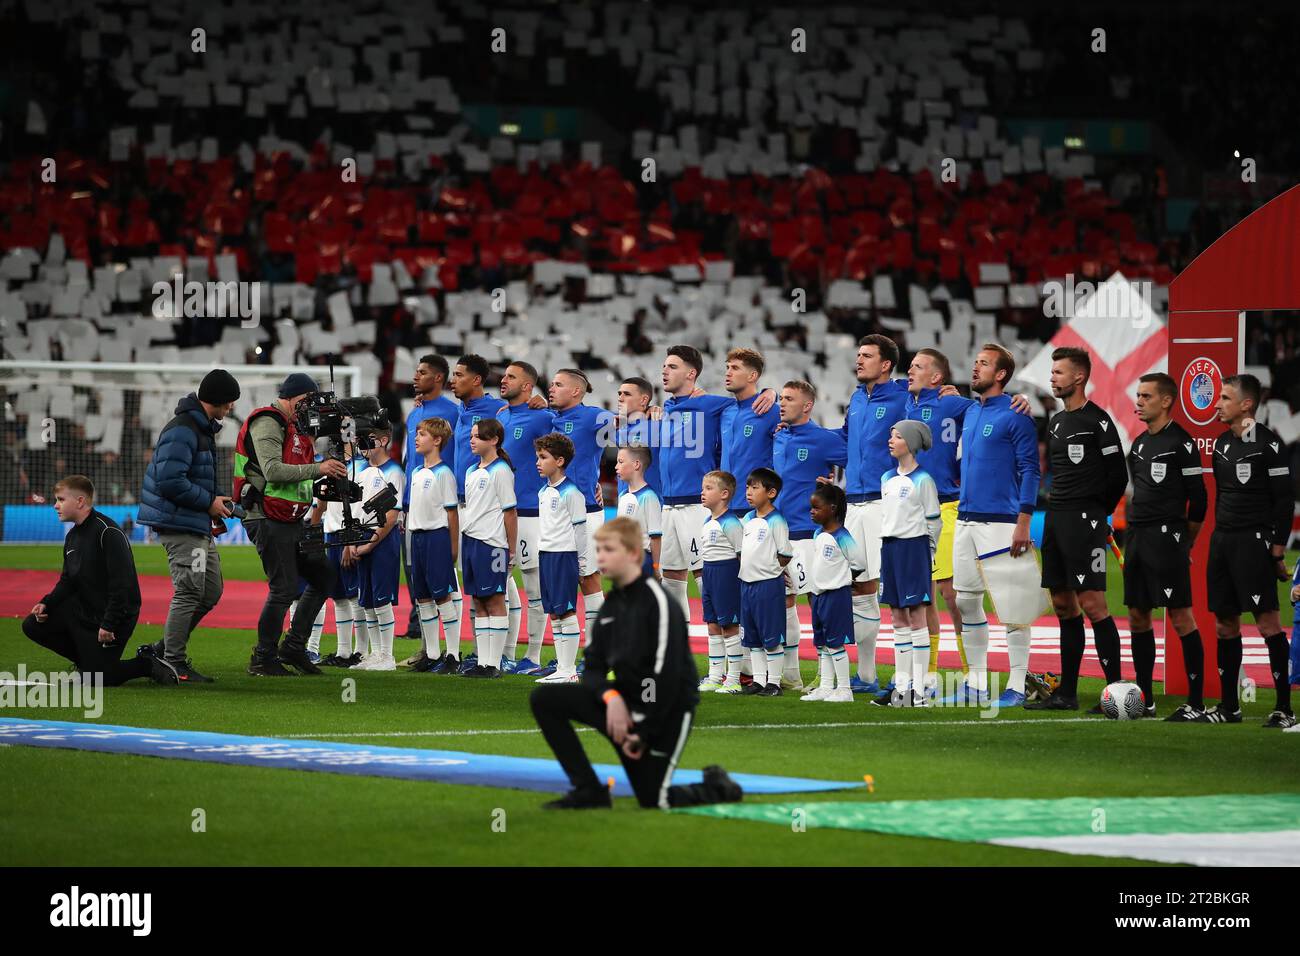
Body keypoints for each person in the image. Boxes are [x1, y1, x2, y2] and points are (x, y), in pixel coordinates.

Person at [528, 516, 743, 811]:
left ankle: (716, 788)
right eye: (598, 549)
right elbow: (592, 669)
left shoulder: (658, 602)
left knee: (655, 800)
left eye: (608, 549)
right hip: (624, 703)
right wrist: (610, 696)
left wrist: (640, 728)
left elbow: (661, 676)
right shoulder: (611, 606)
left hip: (666, 711)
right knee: (545, 699)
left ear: (632, 554)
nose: (599, 556)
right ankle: (588, 790)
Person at [1026, 348, 1129, 713]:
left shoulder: (1098, 421)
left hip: (1085, 521)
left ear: (1079, 378)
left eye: (1058, 372)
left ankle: (1115, 693)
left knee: (1093, 605)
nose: (1052, 377)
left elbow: (1118, 476)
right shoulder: (1055, 422)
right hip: (1055, 518)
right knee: (1063, 605)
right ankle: (1067, 693)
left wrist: (1098, 514)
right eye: (1052, 371)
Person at [944, 344, 1042, 707]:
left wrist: (1024, 521)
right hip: (966, 519)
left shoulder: (1016, 415)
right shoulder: (971, 412)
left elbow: (1031, 469)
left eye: (983, 364)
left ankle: (1017, 684)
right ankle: (977, 681)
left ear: (1000, 374)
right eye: (975, 363)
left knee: (1014, 606)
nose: (975, 368)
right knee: (967, 601)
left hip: (1002, 521)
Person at [234, 373, 345, 676]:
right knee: (283, 588)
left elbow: (296, 469)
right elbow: (272, 470)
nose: (311, 407)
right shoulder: (268, 421)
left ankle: (294, 646)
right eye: (308, 401)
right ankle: (263, 657)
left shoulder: (294, 426)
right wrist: (319, 468)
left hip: (291, 516)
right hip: (265, 514)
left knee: (323, 576)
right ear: (295, 397)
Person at [1199, 374, 1294, 727]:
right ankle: (1228, 707)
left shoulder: (1268, 445)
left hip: (1254, 543)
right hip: (1222, 541)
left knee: (1268, 624)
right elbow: (1222, 496)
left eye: (1225, 398)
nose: (1218, 403)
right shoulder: (1223, 444)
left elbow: (1284, 502)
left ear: (1246, 405)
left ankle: (1284, 708)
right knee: (1225, 624)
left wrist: (1277, 551)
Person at [656, 345, 776, 622]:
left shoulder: (715, 405)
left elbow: (750, 401)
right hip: (668, 505)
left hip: (699, 504)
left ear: (691, 373)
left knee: (706, 572)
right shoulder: (666, 408)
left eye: (672, 366)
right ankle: (678, 649)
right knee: (671, 574)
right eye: (664, 366)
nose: (664, 371)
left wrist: (771, 392)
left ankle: (727, 643)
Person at [135, 368, 240, 684]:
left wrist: (212, 502)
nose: (232, 407)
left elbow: (183, 478)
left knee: (210, 591)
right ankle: (173, 662)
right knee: (191, 590)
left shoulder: (197, 427)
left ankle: (162, 651)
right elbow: (170, 481)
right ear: (218, 400)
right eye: (230, 401)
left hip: (193, 522)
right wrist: (208, 501)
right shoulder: (184, 429)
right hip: (179, 524)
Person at [23, 475, 165, 686]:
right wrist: (47, 603)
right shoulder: (72, 536)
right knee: (32, 625)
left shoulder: (108, 532)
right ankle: (87, 663)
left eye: (61, 500)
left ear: (80, 501)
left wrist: (109, 623)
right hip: (84, 611)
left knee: (102, 678)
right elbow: (68, 580)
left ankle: (146, 664)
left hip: (115, 616)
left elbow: (123, 586)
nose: (55, 506)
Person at [1123, 373, 1208, 721]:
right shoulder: (1139, 445)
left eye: (1146, 396)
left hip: (1168, 536)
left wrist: (1184, 540)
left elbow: (1199, 500)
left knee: (1180, 616)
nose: (1139, 401)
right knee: (1137, 616)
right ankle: (1146, 697)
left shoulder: (1182, 443)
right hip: (1138, 537)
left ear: (1166, 401)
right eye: (1138, 395)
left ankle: (1196, 702)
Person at [838, 335, 910, 694]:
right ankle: (866, 675)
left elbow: (927, 431)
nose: (859, 360)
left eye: (867, 356)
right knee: (858, 589)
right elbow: (846, 440)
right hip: (854, 503)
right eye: (858, 355)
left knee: (895, 591)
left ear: (885, 364)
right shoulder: (855, 398)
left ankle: (904, 676)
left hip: (885, 502)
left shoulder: (903, 397)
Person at [772, 380, 847, 689]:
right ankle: (791, 675)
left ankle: (825, 674)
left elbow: (860, 461)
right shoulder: (777, 436)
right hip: (778, 530)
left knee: (820, 603)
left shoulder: (824, 439)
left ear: (807, 406)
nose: (781, 403)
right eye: (781, 398)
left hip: (809, 533)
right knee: (783, 601)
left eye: (788, 399)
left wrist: (836, 489)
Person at [546, 367, 616, 660]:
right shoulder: (549, 418)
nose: (551, 388)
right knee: (557, 580)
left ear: (576, 391)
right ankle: (564, 655)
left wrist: (651, 411)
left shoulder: (593, 417)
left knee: (588, 578)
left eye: (559, 385)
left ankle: (597, 653)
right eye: (551, 384)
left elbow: (634, 431)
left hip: (586, 510)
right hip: (552, 511)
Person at [874, 422, 942, 707]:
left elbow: (933, 520)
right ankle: (901, 689)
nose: (891, 440)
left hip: (913, 549)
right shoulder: (887, 477)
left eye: (898, 436)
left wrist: (926, 553)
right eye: (891, 435)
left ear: (911, 443)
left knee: (916, 617)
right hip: (890, 548)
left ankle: (919, 689)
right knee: (898, 618)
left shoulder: (923, 479)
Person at [496, 360, 557, 674]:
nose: (504, 380)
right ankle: (505, 654)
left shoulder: (544, 417)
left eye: (511, 377)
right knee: (499, 584)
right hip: (499, 513)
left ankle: (532, 657)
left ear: (528, 386)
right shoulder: (501, 416)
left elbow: (569, 452)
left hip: (531, 513)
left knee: (534, 586)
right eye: (504, 375)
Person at [449, 354, 508, 671]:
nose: (452, 380)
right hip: (465, 505)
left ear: (476, 380)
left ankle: (502, 656)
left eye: (458, 375)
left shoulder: (497, 410)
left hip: (492, 509)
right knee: (476, 587)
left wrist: (538, 403)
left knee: (502, 586)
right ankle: (483, 656)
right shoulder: (460, 409)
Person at [401, 355, 461, 639]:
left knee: (444, 580)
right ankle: (423, 638)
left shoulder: (453, 412)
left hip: (439, 503)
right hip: (412, 502)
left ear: (438, 378)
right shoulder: (415, 412)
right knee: (415, 574)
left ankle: (448, 646)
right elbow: (409, 458)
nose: (415, 376)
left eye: (422, 372)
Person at [459, 418, 518, 679]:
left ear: (493, 440)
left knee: (494, 600)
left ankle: (494, 663)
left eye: (478, 436)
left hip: (492, 544)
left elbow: (510, 512)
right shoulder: (472, 470)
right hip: (471, 541)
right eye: (471, 435)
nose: (472, 440)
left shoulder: (501, 470)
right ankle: (483, 663)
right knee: (479, 601)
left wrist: (511, 550)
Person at [347, 422, 404, 671]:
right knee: (366, 599)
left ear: (382, 441)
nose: (363, 446)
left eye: (369, 440)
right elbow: (354, 509)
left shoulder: (393, 472)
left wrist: (371, 543)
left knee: (381, 599)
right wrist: (351, 541)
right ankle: (374, 653)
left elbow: (392, 514)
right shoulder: (361, 471)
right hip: (361, 535)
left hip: (381, 539)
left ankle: (387, 655)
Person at [801, 483, 866, 703]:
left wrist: (843, 580)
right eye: (811, 507)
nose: (812, 511)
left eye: (816, 508)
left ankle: (845, 689)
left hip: (836, 595)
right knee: (823, 643)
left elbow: (858, 563)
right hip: (819, 595)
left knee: (835, 642)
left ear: (832, 508)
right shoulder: (818, 533)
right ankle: (826, 687)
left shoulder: (842, 536)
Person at [407, 417, 462, 673]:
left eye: (422, 434)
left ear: (437, 440)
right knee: (423, 597)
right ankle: (431, 653)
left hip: (436, 537)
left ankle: (452, 655)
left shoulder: (444, 474)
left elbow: (452, 513)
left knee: (442, 595)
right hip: (417, 537)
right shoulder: (417, 472)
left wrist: (453, 547)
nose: (417, 438)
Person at [533, 433, 588, 684]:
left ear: (560, 460)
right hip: (546, 553)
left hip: (564, 555)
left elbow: (580, 530)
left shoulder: (571, 493)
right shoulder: (544, 491)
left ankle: (569, 669)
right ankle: (561, 667)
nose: (538, 462)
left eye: (543, 457)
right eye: (538, 457)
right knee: (554, 613)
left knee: (565, 611)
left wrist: (582, 562)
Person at [310, 440, 366, 668]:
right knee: (340, 596)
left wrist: (350, 539)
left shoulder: (361, 468)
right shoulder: (333, 468)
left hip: (347, 535)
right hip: (331, 533)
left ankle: (360, 651)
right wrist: (314, 531)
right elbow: (322, 504)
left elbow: (358, 507)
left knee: (354, 596)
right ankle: (343, 652)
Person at [739, 467, 793, 697]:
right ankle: (759, 681)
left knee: (771, 636)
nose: (749, 492)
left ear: (771, 493)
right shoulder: (748, 518)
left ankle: (774, 683)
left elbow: (785, 553)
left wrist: (772, 570)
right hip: (746, 583)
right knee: (752, 637)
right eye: (748, 487)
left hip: (767, 585)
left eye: (755, 488)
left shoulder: (776, 520)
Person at [720, 348, 779, 519]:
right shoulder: (725, 412)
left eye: (735, 368)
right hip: (724, 510)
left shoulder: (771, 411)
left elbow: (802, 432)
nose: (728, 373)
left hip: (757, 512)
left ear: (752, 376)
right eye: (727, 367)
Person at [698, 470, 744, 692]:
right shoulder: (708, 521)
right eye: (703, 488)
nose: (702, 492)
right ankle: (715, 675)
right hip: (709, 573)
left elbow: (742, 554)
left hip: (727, 575)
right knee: (713, 624)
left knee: (730, 625)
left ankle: (734, 678)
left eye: (709, 488)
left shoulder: (731, 523)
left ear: (724, 494)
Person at [614, 446, 662, 580]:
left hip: (642, 560)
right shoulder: (623, 495)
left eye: (621, 462)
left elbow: (655, 537)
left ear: (636, 465)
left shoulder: (649, 497)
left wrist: (656, 567)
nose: (616, 467)